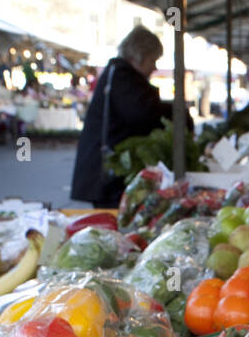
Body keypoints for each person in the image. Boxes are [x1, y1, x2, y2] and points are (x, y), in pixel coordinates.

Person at [71, 26, 190, 208]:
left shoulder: (119, 74)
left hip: (108, 175)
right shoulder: (123, 78)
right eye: (153, 60)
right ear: (139, 56)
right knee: (114, 224)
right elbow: (144, 115)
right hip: (108, 178)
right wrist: (178, 114)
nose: (155, 67)